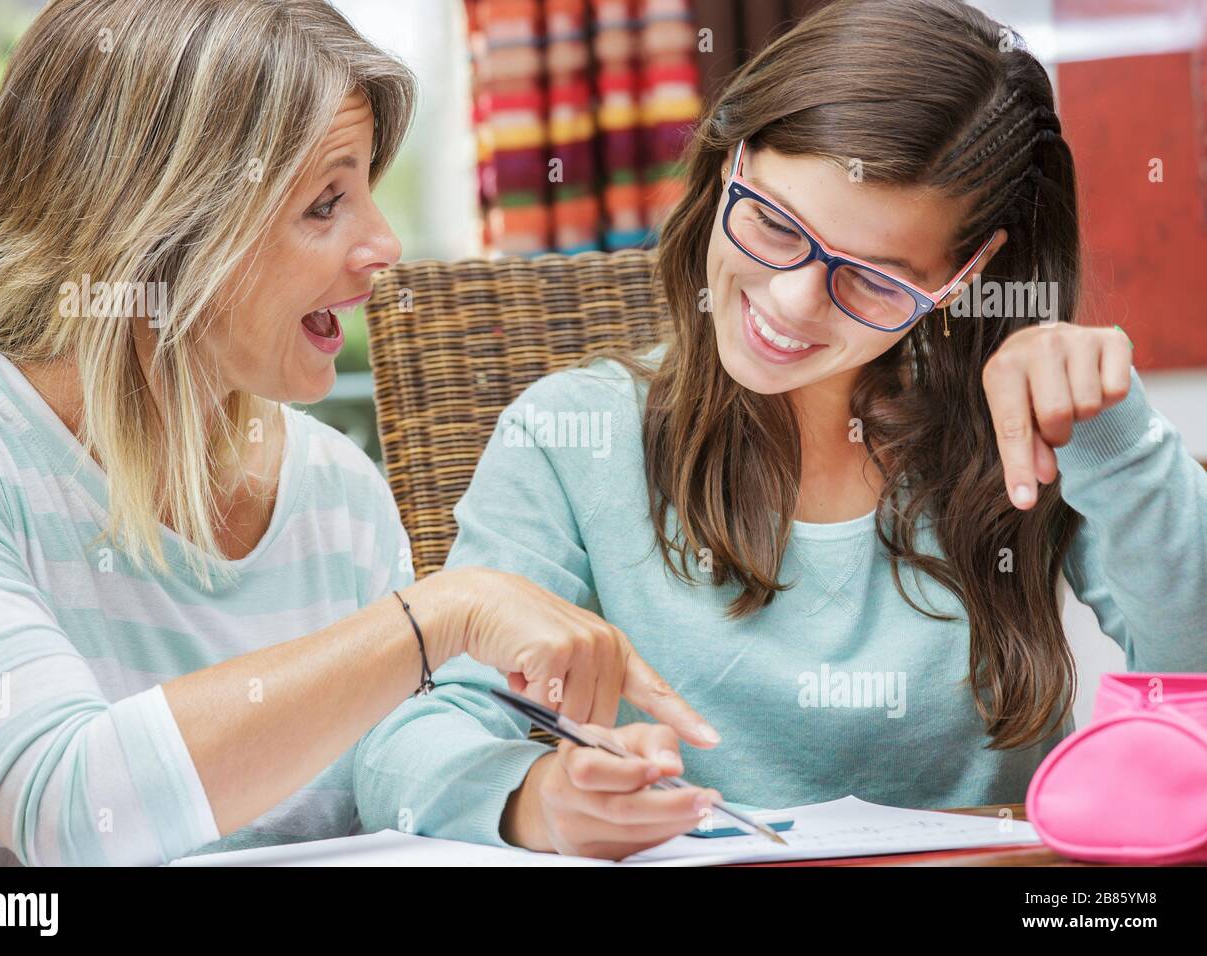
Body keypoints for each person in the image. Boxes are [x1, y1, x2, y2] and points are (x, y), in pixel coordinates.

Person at [352, 0, 1207, 860]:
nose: (792, 303)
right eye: (774, 224)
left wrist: (1116, 439)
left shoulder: (1025, 429)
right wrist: (541, 800)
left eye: (876, 279)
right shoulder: (569, 436)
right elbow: (407, 749)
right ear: (731, 158)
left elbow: (1194, 664)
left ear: (966, 272)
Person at [0, 0, 715, 866]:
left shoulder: (336, 488)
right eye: (325, 203)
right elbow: (69, 805)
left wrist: (542, 796)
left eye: (367, 189)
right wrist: (430, 618)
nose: (384, 243)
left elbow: (393, 762)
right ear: (154, 228)